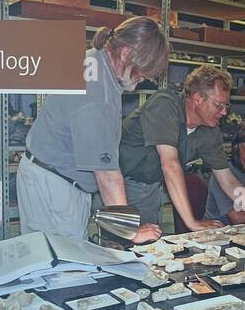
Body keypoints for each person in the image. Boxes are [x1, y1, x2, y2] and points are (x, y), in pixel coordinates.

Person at [19, 16, 169, 244]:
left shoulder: (95, 61)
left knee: (45, 257)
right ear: (126, 54)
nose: (139, 81)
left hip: (48, 174)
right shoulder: (98, 93)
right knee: (64, 267)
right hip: (56, 185)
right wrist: (131, 231)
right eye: (140, 73)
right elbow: (107, 175)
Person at [118, 64, 245, 232]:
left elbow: (228, 180)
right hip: (117, 181)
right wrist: (192, 222)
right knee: (115, 247)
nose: (224, 112)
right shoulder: (165, 105)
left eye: (226, 106)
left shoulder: (209, 129)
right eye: (219, 105)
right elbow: (170, 164)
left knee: (142, 249)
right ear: (197, 98)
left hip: (150, 187)